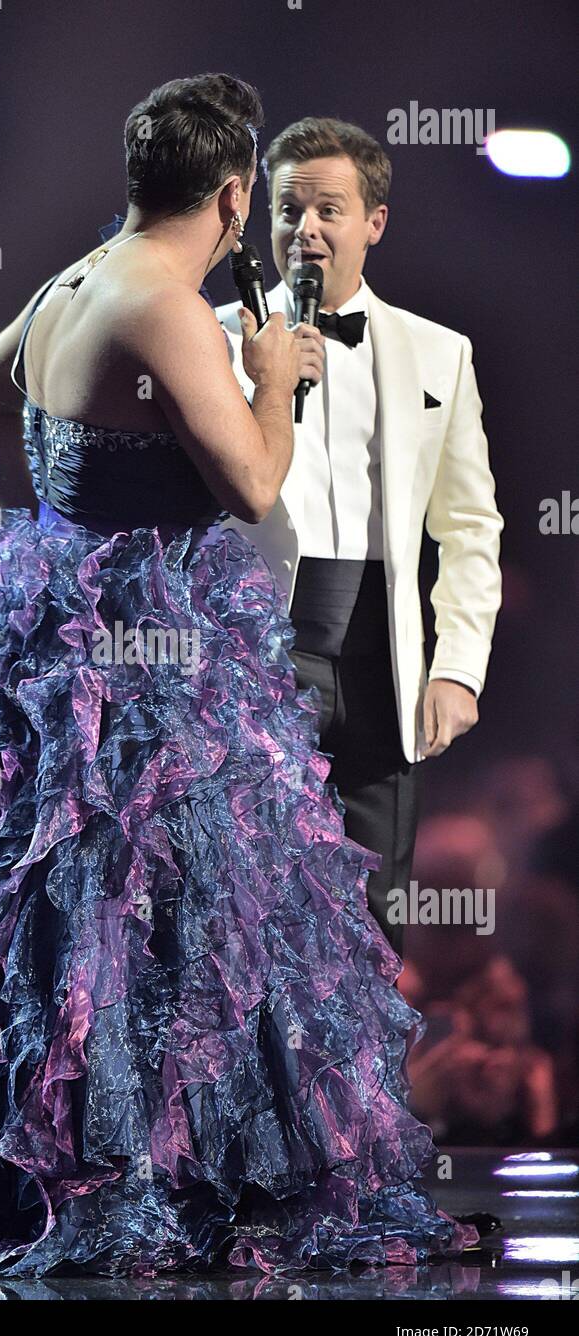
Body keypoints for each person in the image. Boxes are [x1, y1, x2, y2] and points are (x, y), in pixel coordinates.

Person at [0, 75, 484, 1277]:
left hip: (51, 632)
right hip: (147, 664)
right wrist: (275, 376)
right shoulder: (165, 303)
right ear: (235, 197)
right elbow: (254, 486)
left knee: (19, 907)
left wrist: (49, 526)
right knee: (154, 914)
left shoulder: (74, 279)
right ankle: (138, 1163)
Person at [214, 117, 504, 957]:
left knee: (375, 915)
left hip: (385, 643)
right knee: (253, 900)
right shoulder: (213, 338)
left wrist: (455, 669)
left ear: (373, 221)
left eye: (327, 210)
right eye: (287, 208)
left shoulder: (438, 353)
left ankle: (365, 1090)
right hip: (262, 641)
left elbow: (469, 524)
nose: (304, 229)